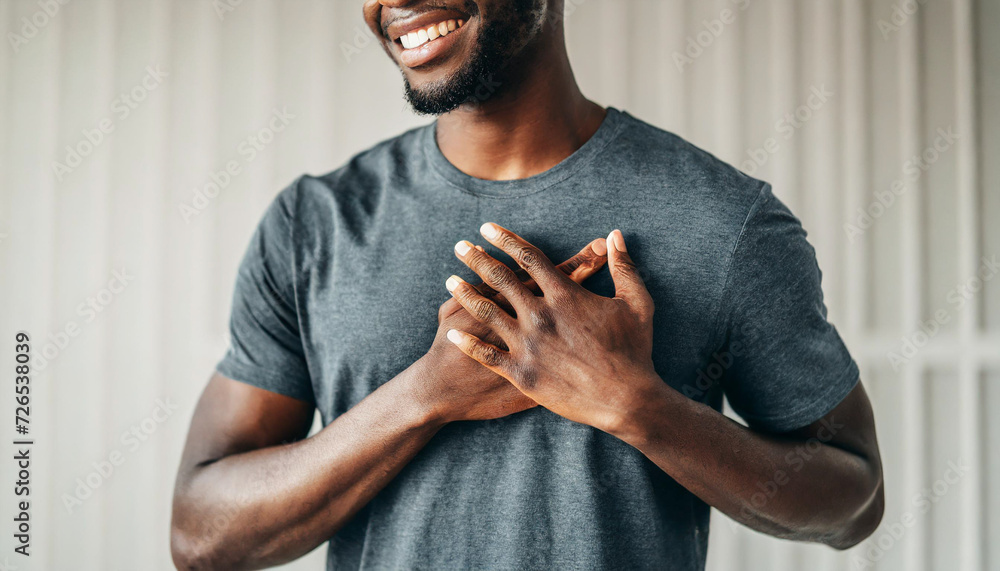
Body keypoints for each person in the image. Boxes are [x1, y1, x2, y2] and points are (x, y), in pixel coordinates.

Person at [170, 1, 884, 569]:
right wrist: (424, 397)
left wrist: (638, 407)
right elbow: (201, 534)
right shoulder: (313, 226)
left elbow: (854, 501)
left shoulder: (725, 222)